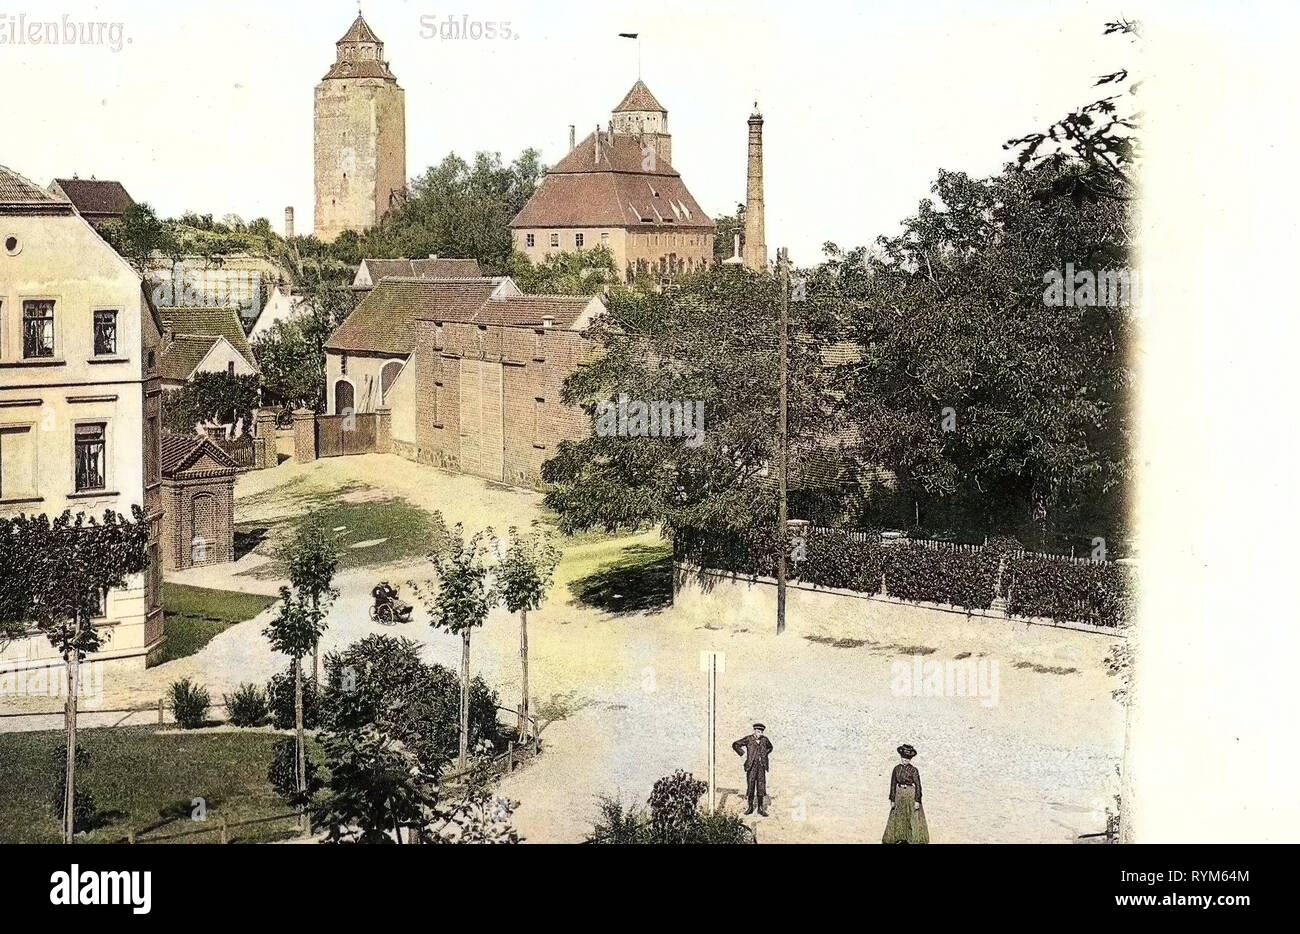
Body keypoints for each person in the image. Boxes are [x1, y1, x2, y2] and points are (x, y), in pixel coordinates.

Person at [882, 743, 929, 844]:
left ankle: (910, 838)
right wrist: (892, 799)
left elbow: (918, 785)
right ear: (901, 757)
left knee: (911, 816)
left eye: (907, 759)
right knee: (898, 816)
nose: (905, 760)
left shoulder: (914, 770)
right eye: (903, 758)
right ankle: (898, 837)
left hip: (910, 795)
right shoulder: (896, 769)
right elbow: (893, 784)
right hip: (899, 795)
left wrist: (917, 800)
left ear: (910, 759)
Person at [732, 722, 773, 816]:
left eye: (762, 732)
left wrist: (765, 754)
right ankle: (750, 808)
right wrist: (742, 754)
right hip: (751, 766)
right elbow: (735, 744)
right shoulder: (748, 739)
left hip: (761, 766)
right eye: (759, 731)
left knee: (761, 787)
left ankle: (760, 808)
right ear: (754, 731)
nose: (760, 734)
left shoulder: (765, 740)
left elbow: (770, 747)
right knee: (751, 786)